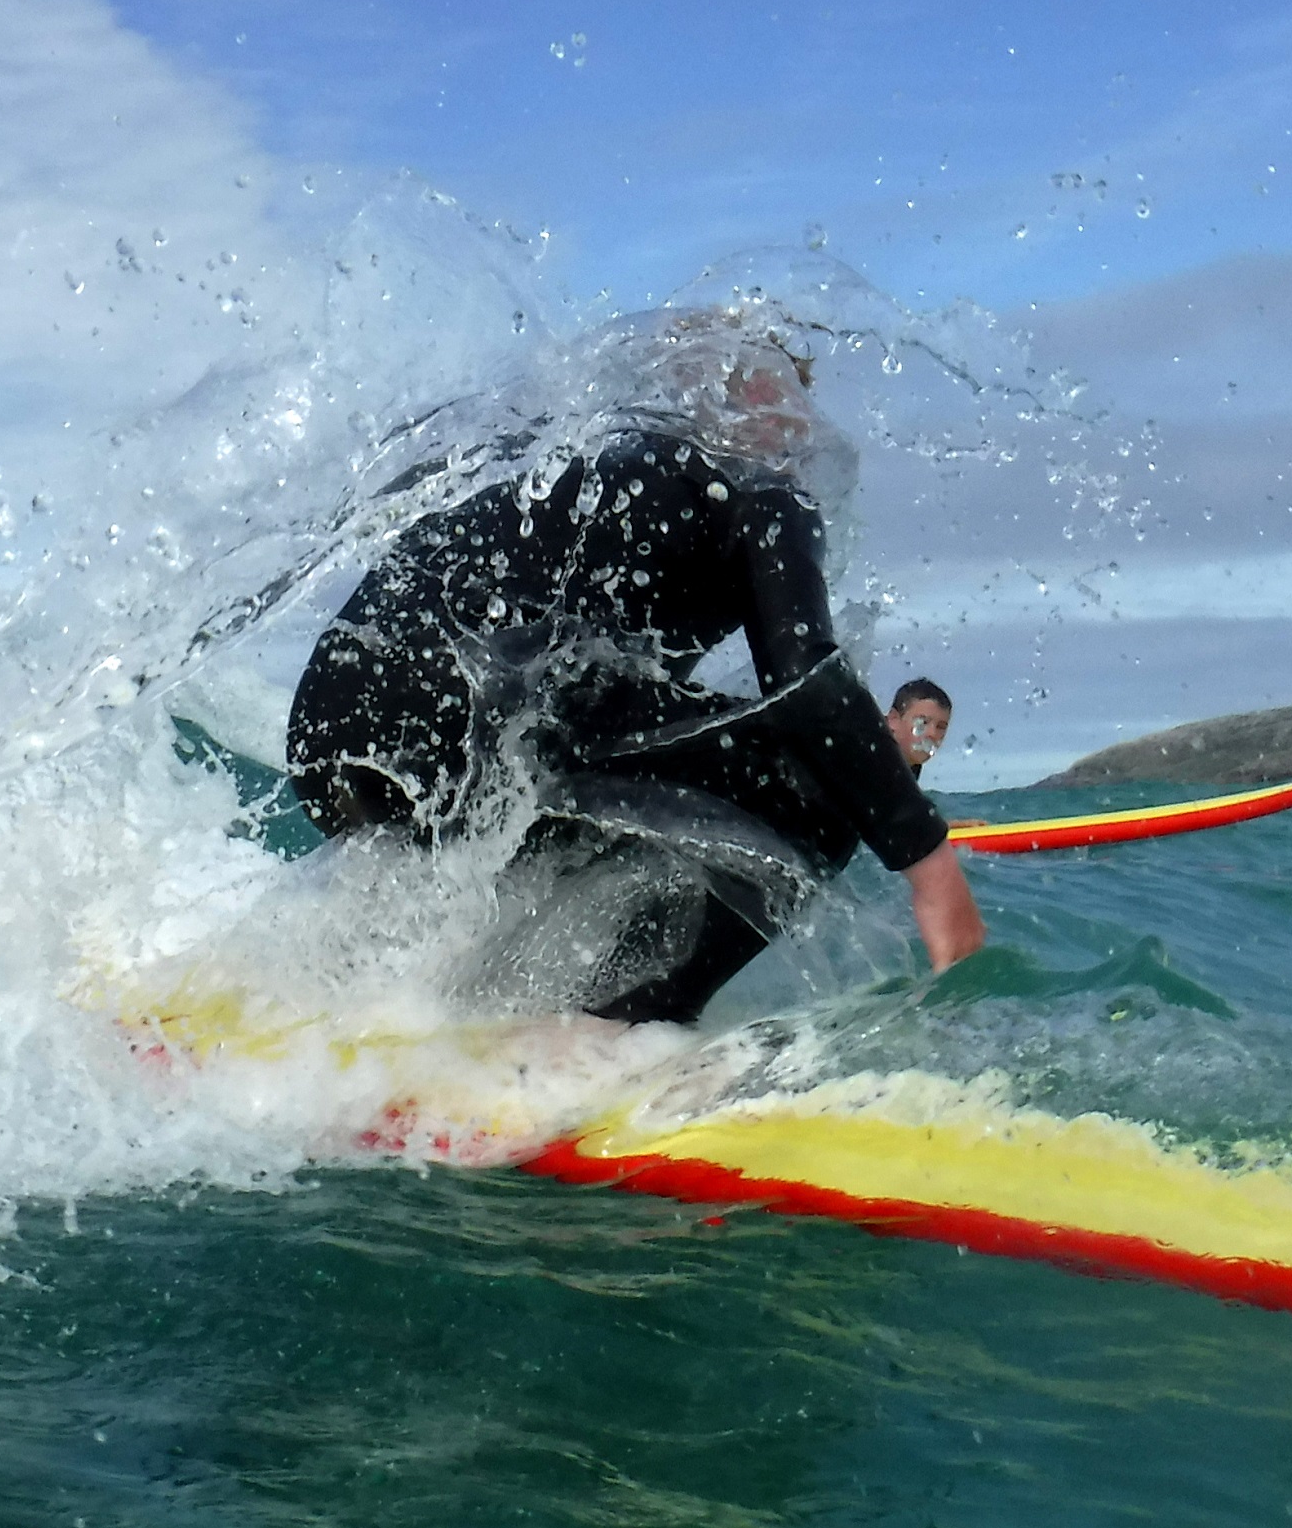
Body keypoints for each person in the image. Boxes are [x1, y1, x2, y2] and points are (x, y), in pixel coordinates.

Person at [285, 310, 983, 1025]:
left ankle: (445, 1009)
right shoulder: (759, 487)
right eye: (795, 399)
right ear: (755, 398)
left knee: (622, 804)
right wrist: (928, 860)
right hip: (472, 715)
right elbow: (804, 680)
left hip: (333, 733)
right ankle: (614, 1031)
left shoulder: (594, 463)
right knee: (821, 770)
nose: (804, 432)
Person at [883, 678, 952, 773]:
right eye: (923, 722)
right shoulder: (866, 757)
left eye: (941, 727)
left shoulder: (907, 768)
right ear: (893, 719)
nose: (933, 733)